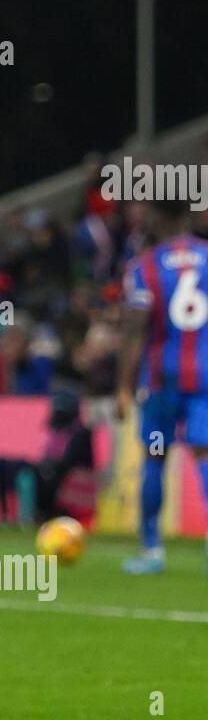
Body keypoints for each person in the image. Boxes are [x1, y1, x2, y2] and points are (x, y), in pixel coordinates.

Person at [116, 204, 208, 574]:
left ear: (154, 218)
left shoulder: (146, 266)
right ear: (189, 217)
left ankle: (151, 550)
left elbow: (135, 331)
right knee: (204, 455)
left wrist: (123, 387)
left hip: (160, 382)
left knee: (155, 455)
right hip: (204, 380)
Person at [0, 391, 95, 527]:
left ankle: (29, 517)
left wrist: (47, 468)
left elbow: (68, 464)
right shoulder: (56, 430)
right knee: (0, 463)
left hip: (58, 481)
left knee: (28, 470)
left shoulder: (80, 435)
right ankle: (4, 515)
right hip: (45, 472)